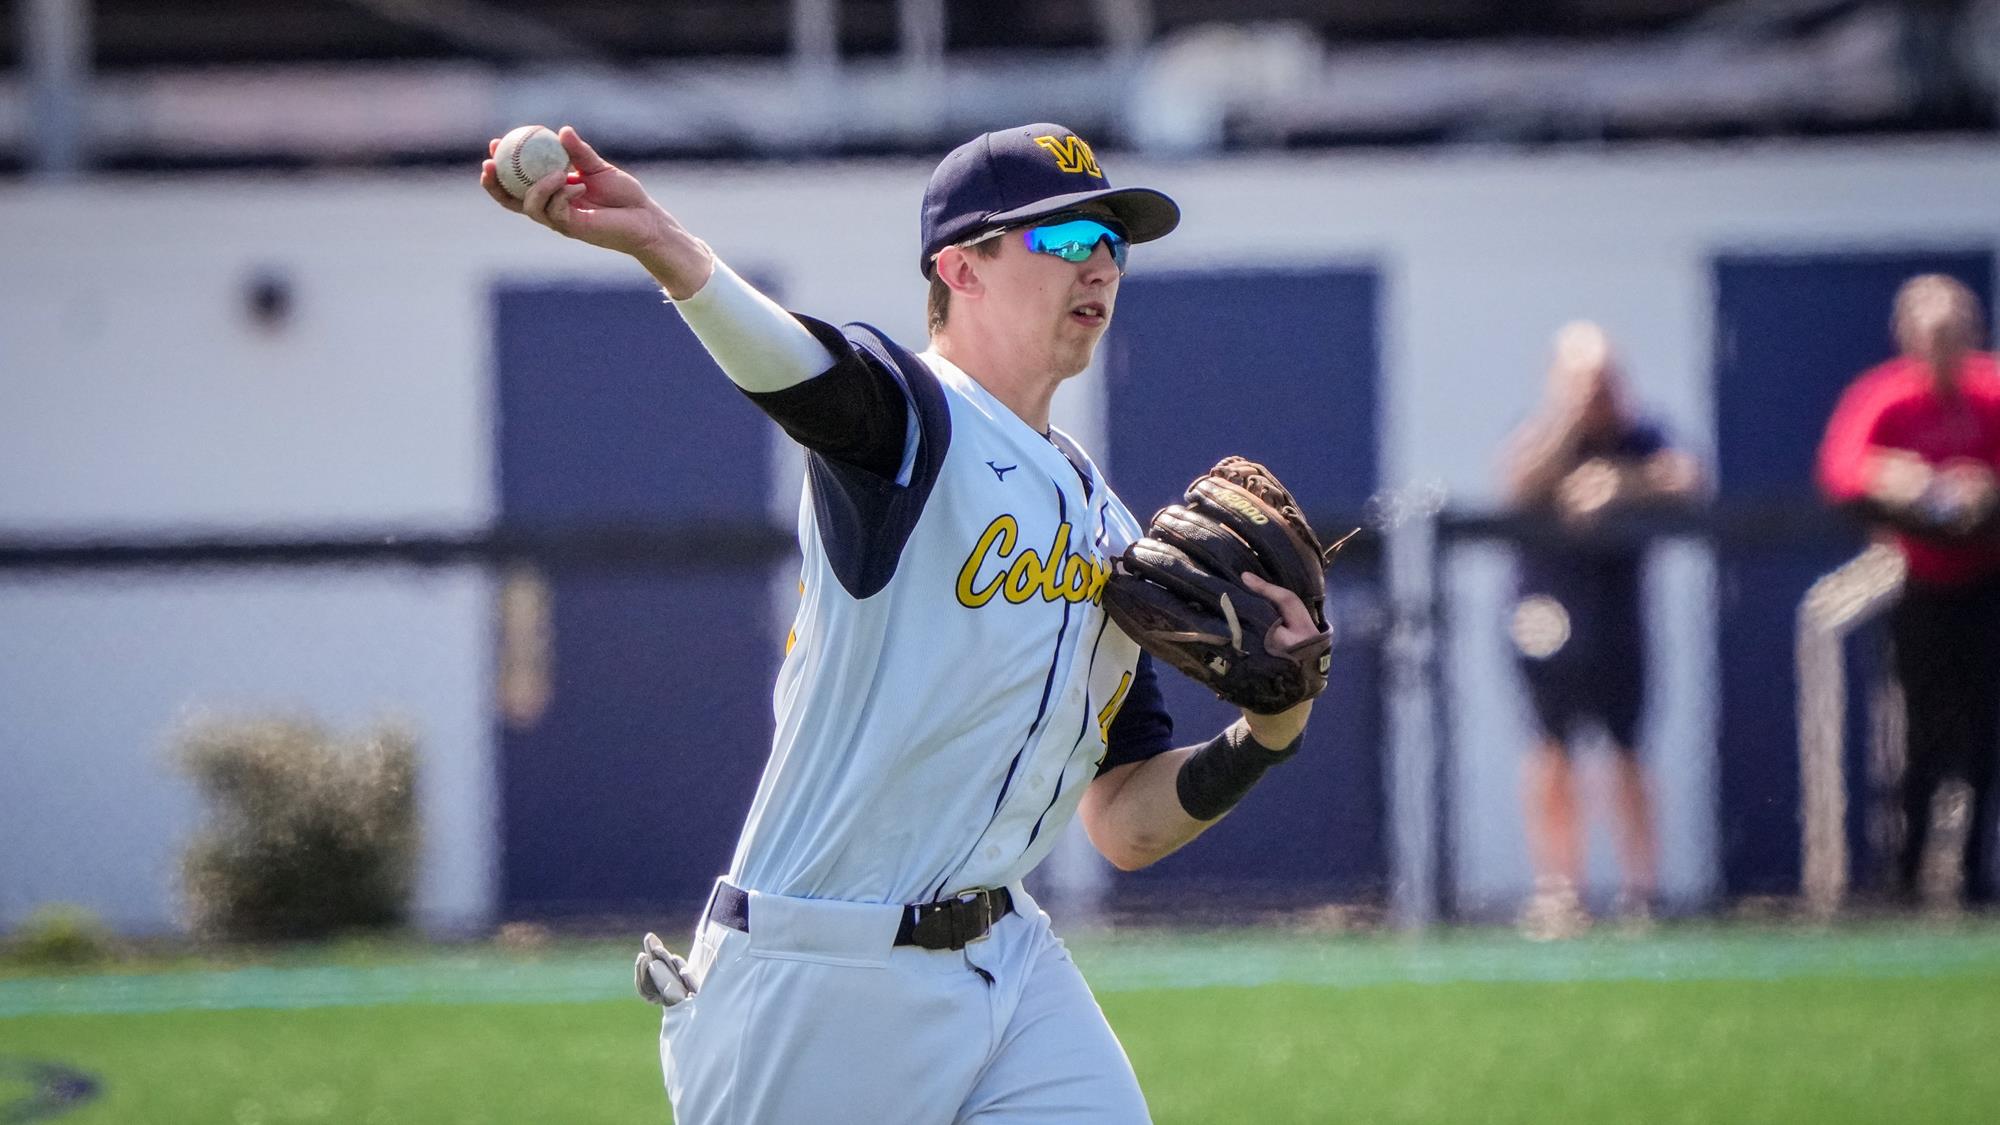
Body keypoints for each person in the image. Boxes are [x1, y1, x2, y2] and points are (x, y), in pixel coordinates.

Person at [481, 122, 1327, 1123]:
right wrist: (664, 245)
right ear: (958, 268)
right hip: (819, 972)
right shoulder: (911, 417)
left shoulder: (1104, 524)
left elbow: (1125, 824)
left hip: (1007, 961)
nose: (1097, 261)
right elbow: (799, 373)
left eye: (1111, 242)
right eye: (1060, 239)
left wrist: (1268, 732)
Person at [1500, 322, 1702, 938]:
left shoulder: (1641, 438)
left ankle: (1641, 892)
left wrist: (1623, 483)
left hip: (1618, 615)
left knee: (1627, 748)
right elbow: (1515, 483)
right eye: (1585, 382)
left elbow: (1687, 477)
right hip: (1546, 615)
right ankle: (1560, 892)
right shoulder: (1544, 436)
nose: (1598, 394)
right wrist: (1568, 432)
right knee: (1551, 748)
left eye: (1606, 381)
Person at [1817, 274, 2000, 910]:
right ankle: (1907, 880)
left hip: (1988, 584)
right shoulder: (1883, 396)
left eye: (1954, 332)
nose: (1942, 346)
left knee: (1984, 738)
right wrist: (1899, 481)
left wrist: (1983, 488)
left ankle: (1976, 881)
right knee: (1919, 737)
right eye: (1930, 333)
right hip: (1919, 586)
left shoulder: (1993, 391)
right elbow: (1842, 473)